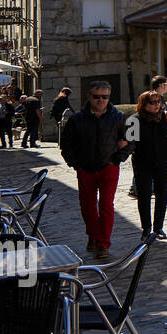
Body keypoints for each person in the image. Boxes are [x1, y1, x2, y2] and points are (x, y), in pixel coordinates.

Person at [60, 81, 131, 261]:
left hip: (109, 167)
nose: (100, 100)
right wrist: (75, 163)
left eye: (104, 97)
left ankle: (102, 244)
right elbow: (66, 144)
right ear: (89, 97)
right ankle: (93, 234)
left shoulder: (120, 117)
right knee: (87, 206)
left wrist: (118, 158)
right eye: (96, 96)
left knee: (106, 205)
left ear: (109, 97)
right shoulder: (77, 119)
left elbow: (133, 140)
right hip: (85, 168)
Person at [129, 90, 167, 239]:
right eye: (152, 102)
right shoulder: (135, 120)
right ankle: (146, 228)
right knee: (144, 195)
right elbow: (128, 140)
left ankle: (159, 227)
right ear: (143, 104)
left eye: (158, 101)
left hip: (164, 162)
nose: (156, 105)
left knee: (162, 194)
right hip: (142, 163)